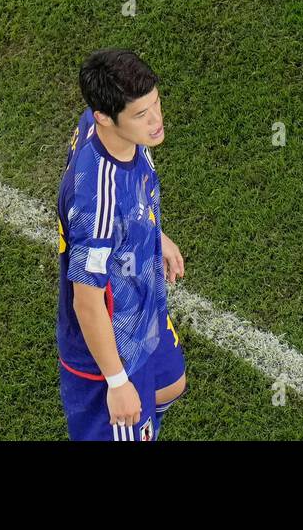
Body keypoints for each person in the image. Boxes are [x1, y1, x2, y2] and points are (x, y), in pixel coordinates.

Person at [56, 49, 188, 439]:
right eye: (141, 114)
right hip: (112, 343)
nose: (156, 121)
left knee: (170, 384)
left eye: (156, 104)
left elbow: (132, 197)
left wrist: (152, 234)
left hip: (141, 299)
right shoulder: (98, 203)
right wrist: (116, 382)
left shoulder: (110, 129)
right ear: (104, 117)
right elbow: (87, 301)